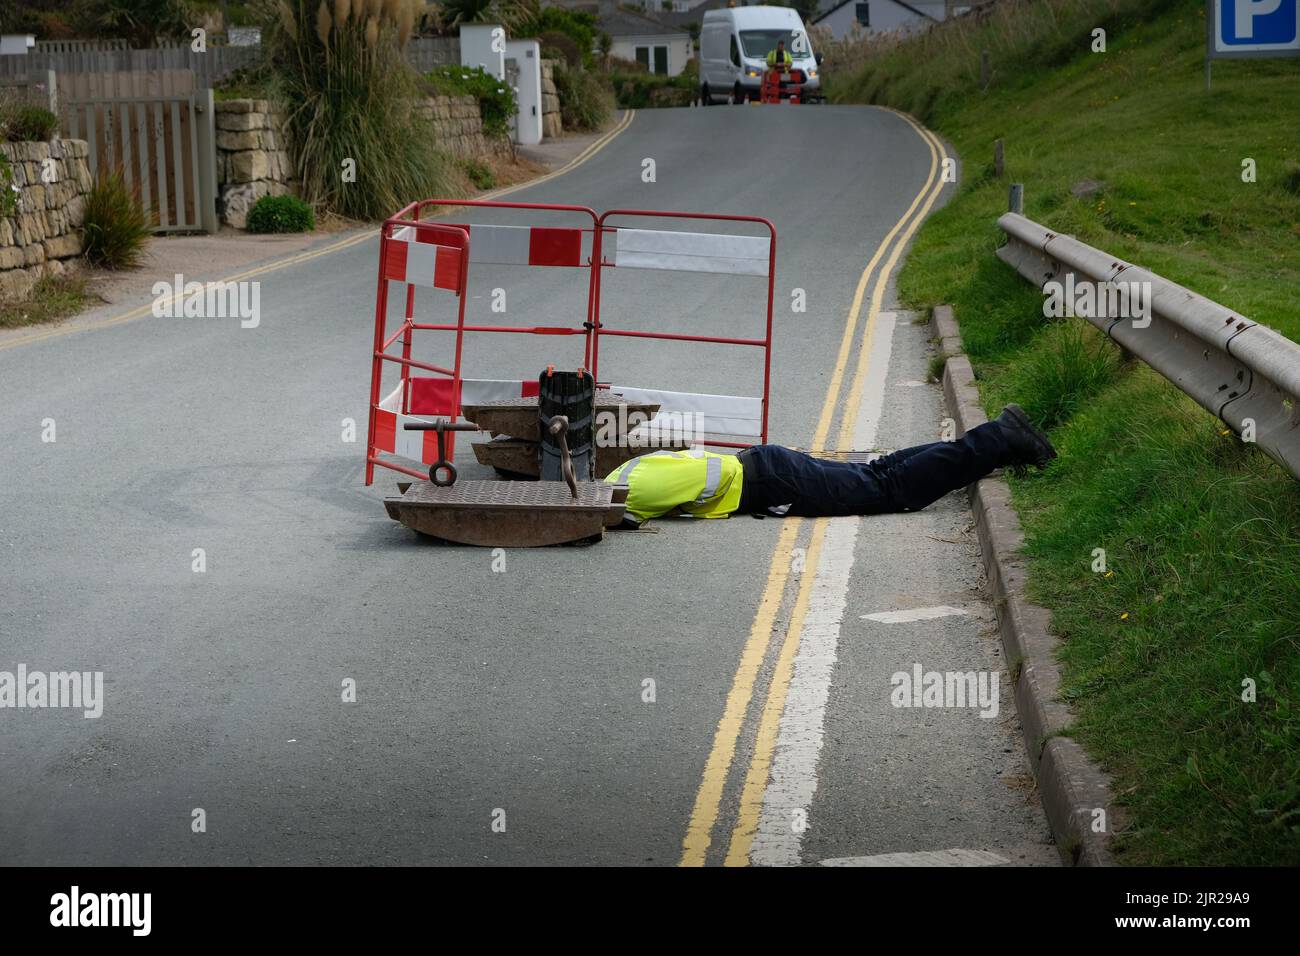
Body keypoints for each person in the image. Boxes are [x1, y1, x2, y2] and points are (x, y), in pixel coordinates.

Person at [604, 404, 1056, 526]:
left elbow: (620, 516)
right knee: (880, 473)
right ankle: (995, 441)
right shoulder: (621, 474)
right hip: (765, 463)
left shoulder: (627, 495)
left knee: (890, 491)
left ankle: (996, 439)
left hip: (772, 483)